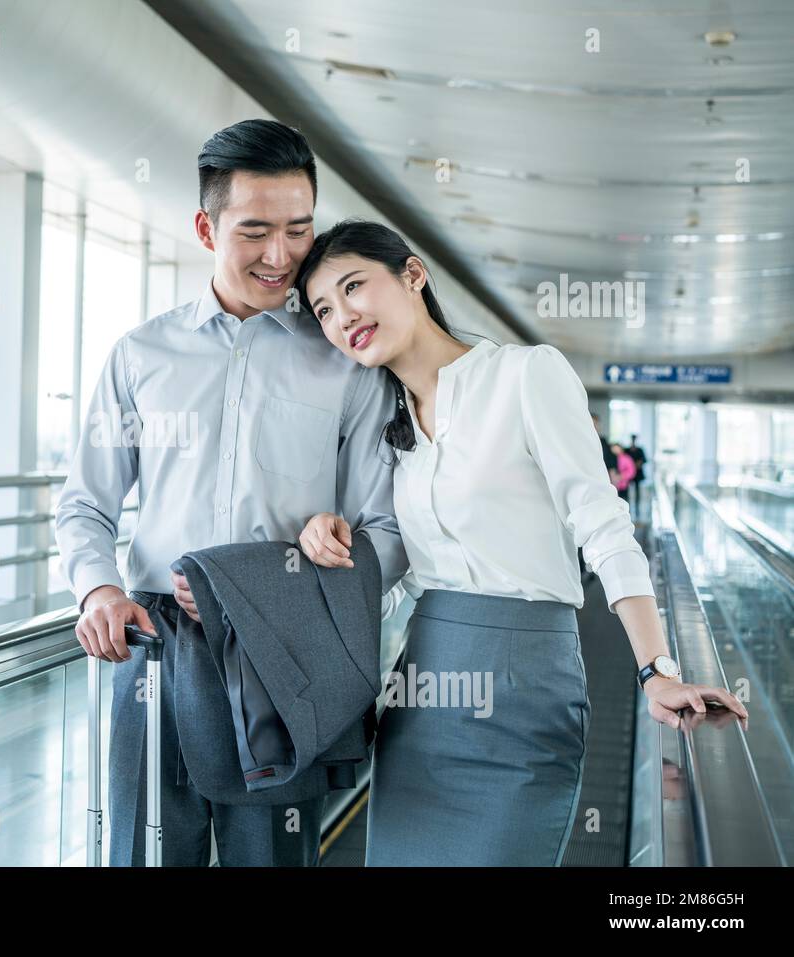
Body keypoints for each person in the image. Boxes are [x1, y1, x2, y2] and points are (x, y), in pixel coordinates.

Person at [294, 218, 748, 866]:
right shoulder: (384, 429)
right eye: (324, 310)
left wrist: (655, 670)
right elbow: (398, 574)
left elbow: (601, 522)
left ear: (413, 274)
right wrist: (325, 537)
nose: (343, 316)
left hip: (527, 691)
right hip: (421, 697)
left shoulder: (526, 375)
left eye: (354, 286)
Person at [55, 123, 405, 867]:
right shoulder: (142, 355)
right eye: (255, 232)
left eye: (298, 230)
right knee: (141, 854)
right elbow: (86, 502)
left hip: (282, 660)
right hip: (154, 653)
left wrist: (329, 554)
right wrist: (97, 591)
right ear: (206, 227)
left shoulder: (346, 360)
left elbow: (387, 531)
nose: (280, 256)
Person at [626, 434, 648, 516]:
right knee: (627, 491)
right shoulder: (627, 450)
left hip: (637, 474)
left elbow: (644, 460)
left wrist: (638, 464)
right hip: (629, 474)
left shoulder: (640, 450)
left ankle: (637, 508)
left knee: (637, 491)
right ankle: (629, 507)